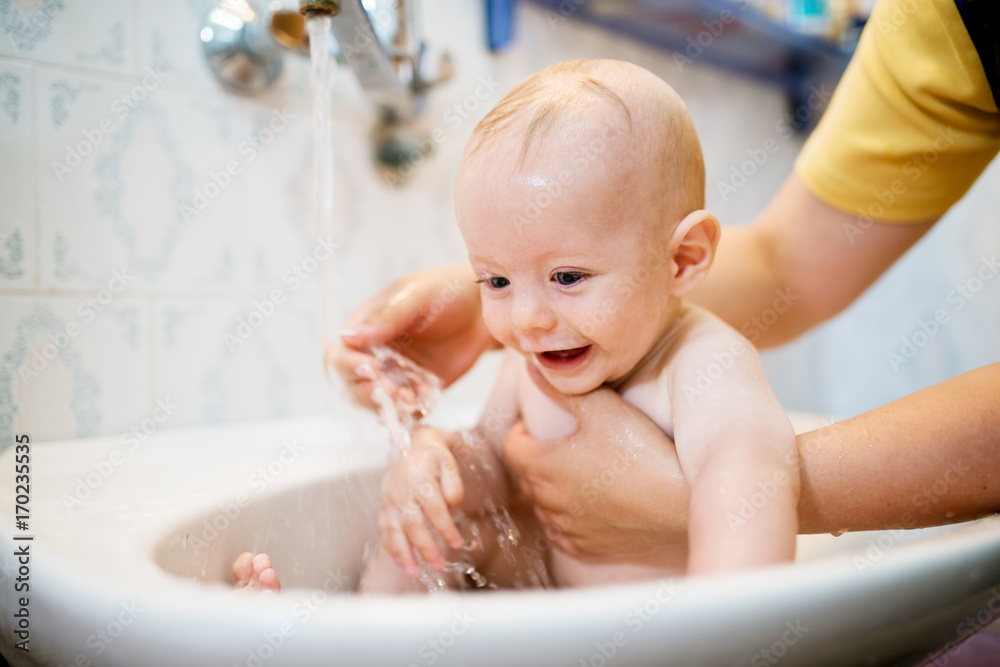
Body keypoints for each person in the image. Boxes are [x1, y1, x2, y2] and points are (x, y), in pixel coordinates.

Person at [329, 0, 1000, 563]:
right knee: (409, 560)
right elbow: (497, 470)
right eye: (496, 279)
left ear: (682, 260)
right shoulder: (535, 358)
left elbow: (746, 480)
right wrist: (435, 469)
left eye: (566, 275)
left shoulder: (701, 365)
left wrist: (724, 640)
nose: (526, 318)